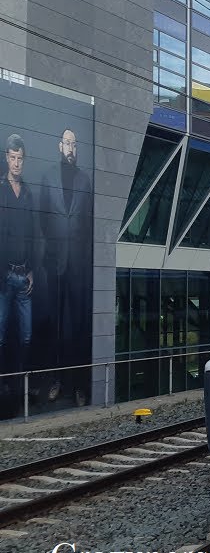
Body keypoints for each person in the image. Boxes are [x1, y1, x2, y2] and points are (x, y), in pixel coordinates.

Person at [39, 129, 93, 406]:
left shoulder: (84, 180)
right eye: (67, 143)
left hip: (79, 266)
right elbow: (43, 218)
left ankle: (80, 386)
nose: (71, 148)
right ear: (60, 146)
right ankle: (56, 381)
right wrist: (53, 247)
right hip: (55, 263)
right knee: (56, 326)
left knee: (80, 327)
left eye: (74, 143)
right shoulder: (48, 177)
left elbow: (88, 221)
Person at [0, 134, 39, 416]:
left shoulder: (28, 193)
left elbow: (34, 234)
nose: (16, 163)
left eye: (20, 159)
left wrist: (33, 270)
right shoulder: (0, 189)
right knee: (0, 337)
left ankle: (20, 388)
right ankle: (2, 386)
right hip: (4, 277)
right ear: (6, 158)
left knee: (26, 337)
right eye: (12, 157)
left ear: (24, 160)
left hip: (24, 276)